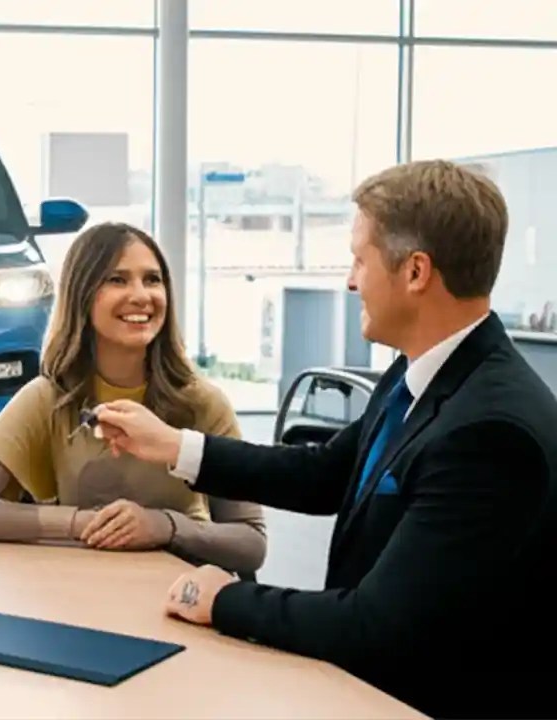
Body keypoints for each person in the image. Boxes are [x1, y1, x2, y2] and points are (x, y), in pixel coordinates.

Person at [95, 160, 556, 719]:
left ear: (416, 272)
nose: (350, 279)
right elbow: (326, 474)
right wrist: (176, 447)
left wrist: (225, 599)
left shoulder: (491, 433)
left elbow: (377, 625)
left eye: (360, 258)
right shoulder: (422, 373)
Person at [0, 222, 267, 576]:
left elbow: (251, 544)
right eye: (117, 279)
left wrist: (165, 527)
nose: (141, 295)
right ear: (82, 295)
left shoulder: (203, 403)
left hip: (183, 597)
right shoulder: (48, 399)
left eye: (152, 279)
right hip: (81, 591)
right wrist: (83, 523)